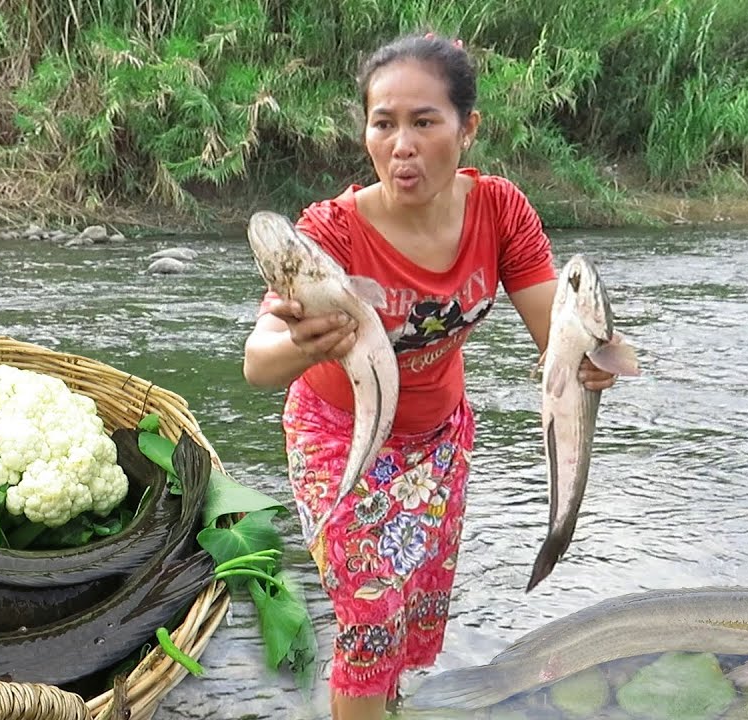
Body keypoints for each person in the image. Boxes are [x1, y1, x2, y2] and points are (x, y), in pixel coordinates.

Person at [241, 32, 620, 720]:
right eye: (383, 123)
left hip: (439, 445)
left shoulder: (500, 211)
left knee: (413, 616)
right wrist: (306, 343)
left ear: (467, 128)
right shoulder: (330, 232)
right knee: (369, 621)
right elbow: (258, 361)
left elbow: (554, 336)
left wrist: (588, 360)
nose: (401, 144)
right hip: (340, 439)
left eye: (424, 122)